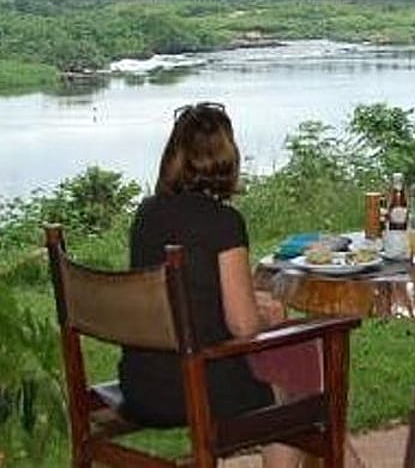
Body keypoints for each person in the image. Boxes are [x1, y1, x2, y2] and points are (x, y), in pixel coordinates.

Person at [118, 101, 314, 468]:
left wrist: (252, 305)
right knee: (294, 388)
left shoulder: (146, 214)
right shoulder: (224, 223)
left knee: (277, 364)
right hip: (198, 387)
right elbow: (242, 325)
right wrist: (265, 316)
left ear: (173, 155)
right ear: (228, 156)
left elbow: (190, 293)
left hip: (141, 386)